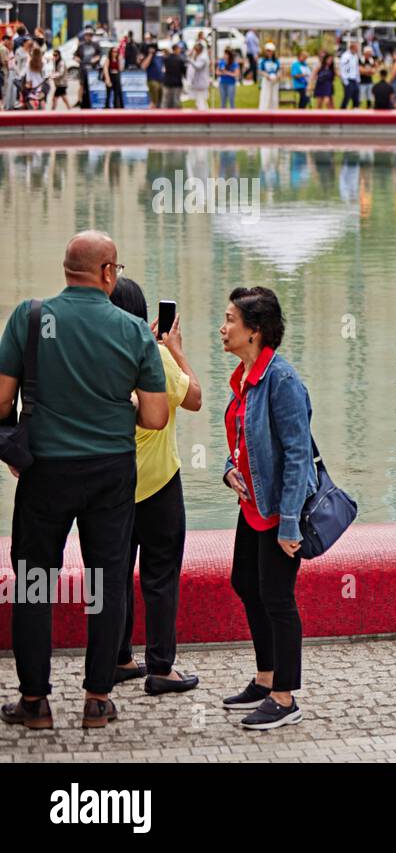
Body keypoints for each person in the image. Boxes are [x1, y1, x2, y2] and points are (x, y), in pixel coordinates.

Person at [0, 232, 168, 730]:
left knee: (33, 582)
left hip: (45, 470)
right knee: (106, 580)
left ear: (67, 269)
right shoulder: (132, 330)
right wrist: (117, 407)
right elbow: (156, 417)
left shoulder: (29, 318)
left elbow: (1, 403)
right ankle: (97, 698)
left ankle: (34, 702)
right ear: (109, 272)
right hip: (111, 471)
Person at [219, 287, 315, 730]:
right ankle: (265, 677)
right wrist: (227, 470)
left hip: (279, 509)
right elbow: (241, 438)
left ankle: (284, 697)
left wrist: (290, 522)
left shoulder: (282, 380)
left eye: (230, 320)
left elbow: (297, 455)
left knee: (278, 597)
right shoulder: (244, 376)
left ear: (254, 331)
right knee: (246, 582)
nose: (223, 328)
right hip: (251, 503)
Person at [107, 278, 202, 697]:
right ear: (145, 318)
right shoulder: (155, 357)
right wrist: (176, 349)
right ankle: (161, 668)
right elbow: (195, 397)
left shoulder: (95, 358)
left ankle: (118, 658)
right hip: (159, 485)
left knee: (112, 574)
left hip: (110, 487)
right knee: (160, 576)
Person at [162, 43, 187, 109]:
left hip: (167, 83)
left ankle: (164, 117)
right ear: (176, 49)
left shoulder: (166, 59)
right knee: (176, 101)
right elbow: (184, 72)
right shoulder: (180, 60)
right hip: (177, 83)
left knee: (166, 101)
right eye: (179, 49)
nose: (180, 50)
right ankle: (177, 117)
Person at [258, 44, 281, 112]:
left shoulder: (276, 61)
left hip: (275, 80)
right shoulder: (263, 61)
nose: (269, 52)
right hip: (267, 79)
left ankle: (274, 110)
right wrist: (267, 76)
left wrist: (278, 76)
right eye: (267, 51)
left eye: (270, 51)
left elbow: (279, 70)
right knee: (266, 95)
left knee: (274, 96)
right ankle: (264, 110)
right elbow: (260, 70)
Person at [187, 41, 210, 110]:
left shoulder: (203, 57)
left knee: (200, 100)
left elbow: (198, 67)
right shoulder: (199, 56)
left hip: (201, 82)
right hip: (198, 82)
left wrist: (190, 60)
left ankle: (203, 115)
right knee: (199, 100)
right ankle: (204, 114)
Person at [338, 41, 361, 110]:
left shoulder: (355, 56)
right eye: (356, 48)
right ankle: (342, 110)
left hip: (354, 79)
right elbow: (343, 69)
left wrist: (358, 79)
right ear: (352, 48)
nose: (357, 50)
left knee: (356, 96)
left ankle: (355, 109)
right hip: (348, 80)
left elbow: (356, 68)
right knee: (347, 96)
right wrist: (345, 81)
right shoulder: (345, 56)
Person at [143, 38, 165, 108]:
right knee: (154, 101)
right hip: (152, 80)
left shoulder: (159, 57)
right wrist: (150, 54)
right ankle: (150, 116)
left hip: (161, 80)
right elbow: (144, 66)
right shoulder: (148, 56)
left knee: (161, 101)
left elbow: (163, 66)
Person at [101, 44, 123, 109]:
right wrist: (107, 79)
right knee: (108, 94)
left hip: (116, 76)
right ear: (111, 52)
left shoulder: (118, 59)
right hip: (110, 76)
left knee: (117, 93)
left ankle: (116, 106)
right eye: (113, 51)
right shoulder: (108, 59)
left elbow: (121, 69)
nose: (115, 53)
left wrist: (120, 59)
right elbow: (105, 69)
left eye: (116, 52)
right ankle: (107, 107)